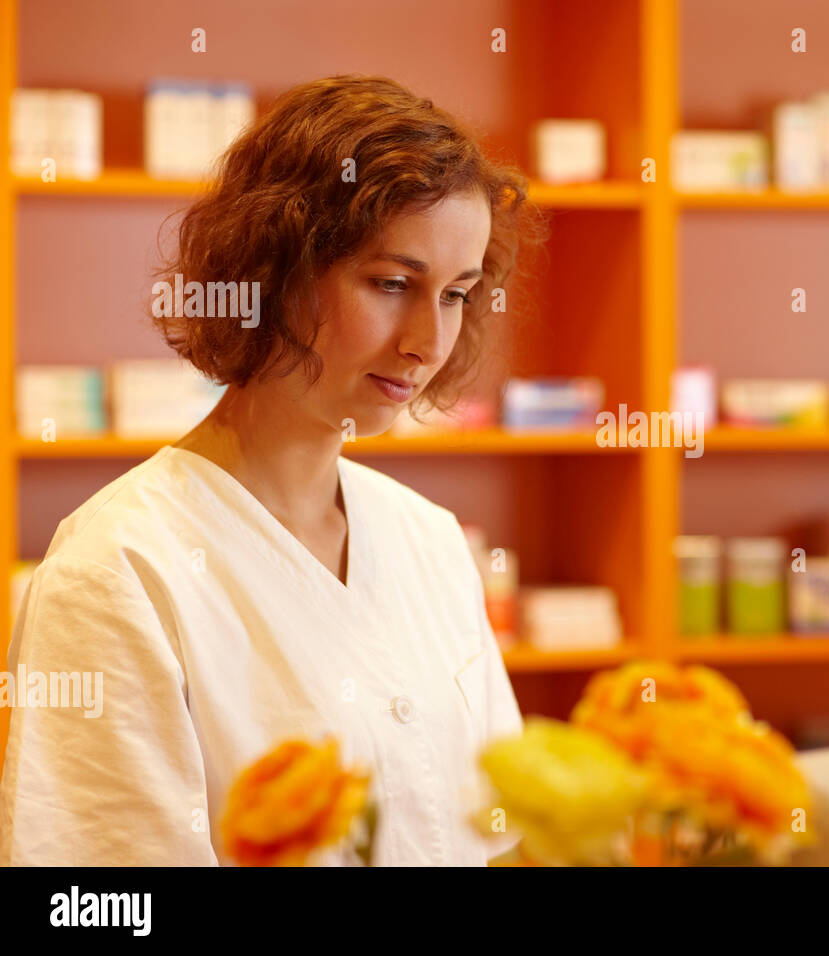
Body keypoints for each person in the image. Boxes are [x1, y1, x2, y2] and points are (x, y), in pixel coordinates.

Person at [0, 75, 544, 865]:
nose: (430, 339)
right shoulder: (119, 569)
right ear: (272, 272)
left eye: (457, 294)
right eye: (393, 284)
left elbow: (497, 835)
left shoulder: (427, 540)